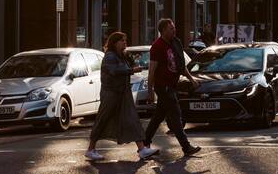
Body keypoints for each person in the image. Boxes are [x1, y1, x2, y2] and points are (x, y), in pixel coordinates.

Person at [84, 33, 159, 163]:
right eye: (122, 41)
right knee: (103, 119)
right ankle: (90, 149)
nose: (125, 43)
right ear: (114, 43)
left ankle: (142, 149)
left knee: (132, 119)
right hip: (111, 94)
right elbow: (115, 71)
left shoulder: (121, 55)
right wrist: (132, 70)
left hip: (122, 93)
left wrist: (131, 65)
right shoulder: (110, 56)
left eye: (125, 40)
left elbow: (125, 66)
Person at [142, 18, 200, 157]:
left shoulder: (175, 43)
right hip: (163, 86)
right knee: (175, 114)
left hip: (172, 85)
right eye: (170, 29)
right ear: (162, 31)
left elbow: (180, 65)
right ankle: (186, 146)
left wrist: (191, 79)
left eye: (173, 28)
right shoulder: (157, 47)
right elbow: (152, 70)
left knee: (158, 116)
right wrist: (150, 91)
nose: (174, 30)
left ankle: (145, 142)